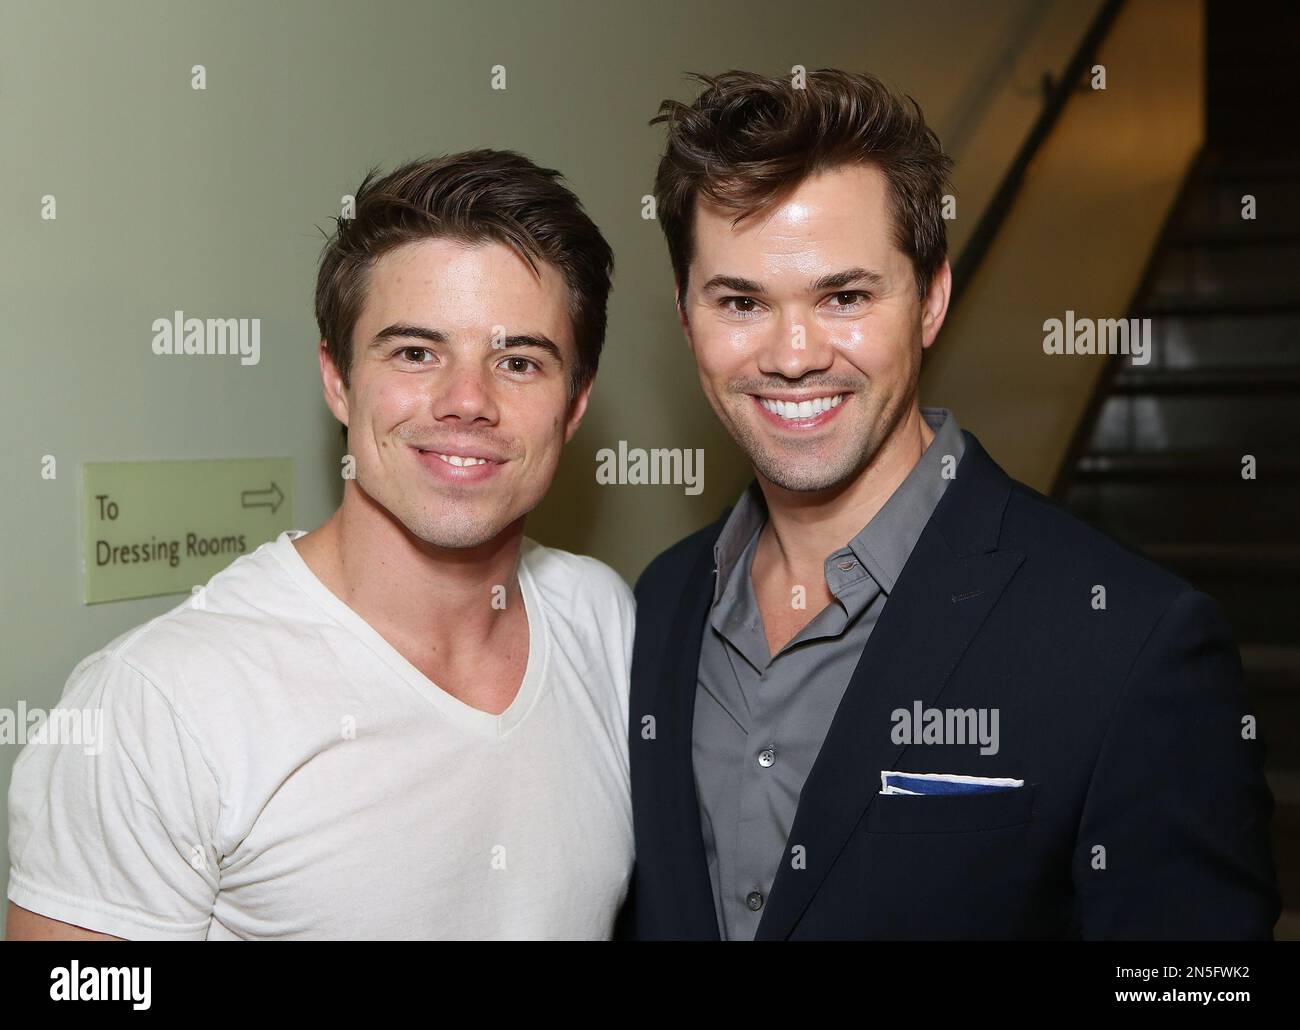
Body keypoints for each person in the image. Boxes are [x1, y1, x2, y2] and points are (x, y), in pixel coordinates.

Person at [621, 70, 1281, 940]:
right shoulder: (658, 607)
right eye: (741, 302)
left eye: (844, 297)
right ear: (685, 316)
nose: (791, 355)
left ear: (931, 299)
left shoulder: (1131, 640)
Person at [7, 149, 634, 940]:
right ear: (338, 381)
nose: (466, 401)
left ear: (573, 407)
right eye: (415, 353)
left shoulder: (605, 625)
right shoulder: (157, 705)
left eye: (518, 361)